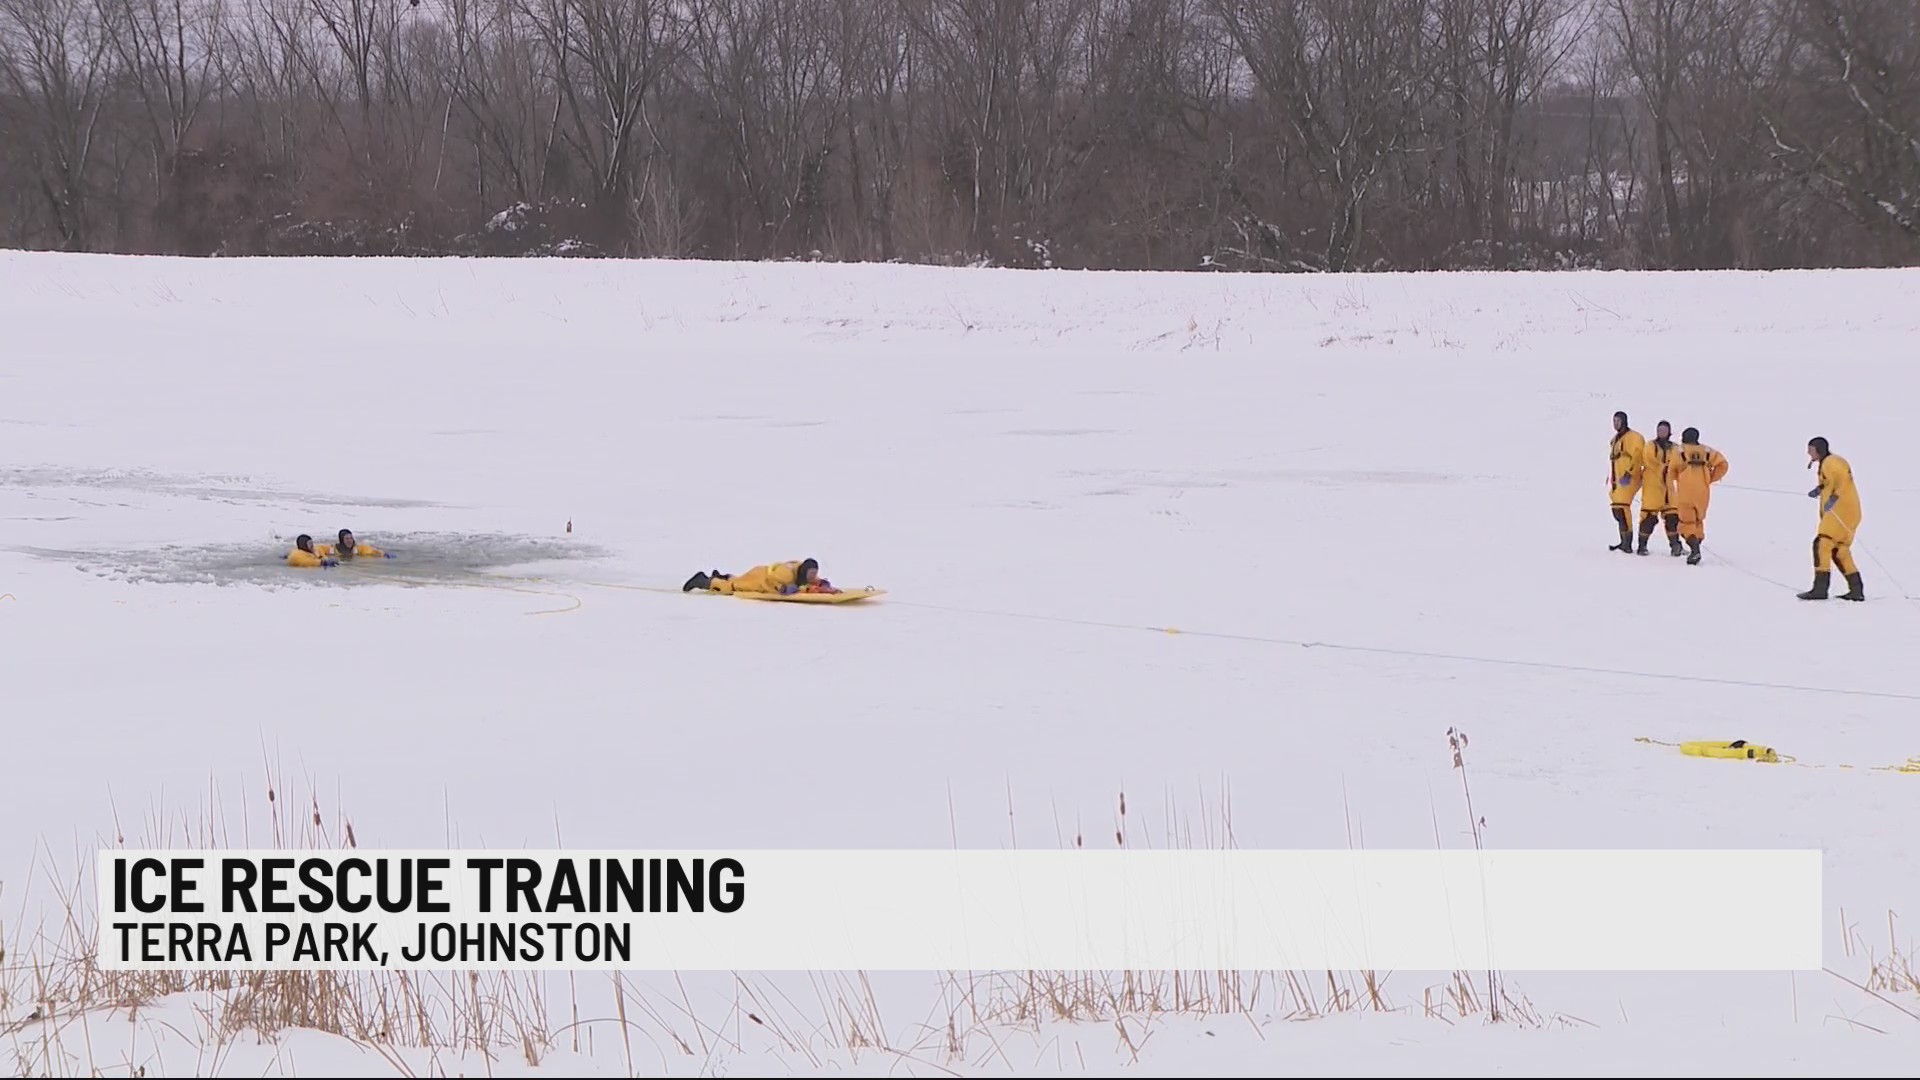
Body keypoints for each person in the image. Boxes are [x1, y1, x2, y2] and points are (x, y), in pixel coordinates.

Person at [1798, 436, 1864, 601]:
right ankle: (1856, 590)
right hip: (1849, 513)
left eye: (1811, 449)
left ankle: (1820, 589)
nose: (1808, 452)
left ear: (1818, 449)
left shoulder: (1832, 462)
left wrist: (1834, 498)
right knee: (1839, 550)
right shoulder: (1829, 462)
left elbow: (1843, 480)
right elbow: (1831, 481)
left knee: (1822, 543)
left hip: (1840, 512)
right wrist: (1820, 489)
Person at [1669, 427, 1727, 566]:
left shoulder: (1679, 451)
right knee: (1698, 521)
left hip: (1686, 493)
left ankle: (1694, 550)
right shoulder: (1707, 451)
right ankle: (1697, 547)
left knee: (1686, 523)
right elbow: (1723, 464)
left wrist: (1677, 479)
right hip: (1703, 493)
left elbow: (1671, 471)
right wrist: (1710, 478)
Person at [1636, 420, 1685, 557]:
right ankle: (1642, 546)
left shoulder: (1675, 447)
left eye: (1664, 430)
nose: (1661, 432)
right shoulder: (1650, 445)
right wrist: (1665, 468)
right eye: (1659, 430)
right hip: (1652, 488)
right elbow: (1649, 460)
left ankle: (1676, 546)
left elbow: (1681, 463)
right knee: (1648, 519)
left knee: (1672, 518)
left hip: (1669, 490)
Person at [683, 558, 838, 595]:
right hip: (760, 580)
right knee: (732, 588)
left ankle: (723, 576)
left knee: (739, 580)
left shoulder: (803, 569)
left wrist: (824, 585)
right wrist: (785, 589)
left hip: (762, 572)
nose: (813, 576)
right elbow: (776, 585)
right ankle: (702, 580)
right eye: (812, 574)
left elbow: (811, 580)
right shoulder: (786, 574)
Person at [1607, 411, 1645, 553]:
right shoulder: (1615, 439)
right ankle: (1624, 541)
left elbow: (1638, 455)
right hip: (1618, 479)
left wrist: (1630, 472)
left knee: (1622, 507)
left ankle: (1627, 543)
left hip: (1628, 477)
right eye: (1614, 420)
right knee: (1617, 509)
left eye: (1618, 420)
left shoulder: (1634, 437)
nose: (1616, 423)